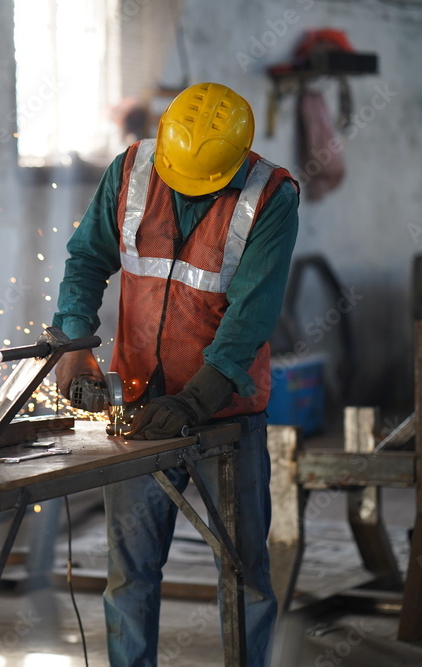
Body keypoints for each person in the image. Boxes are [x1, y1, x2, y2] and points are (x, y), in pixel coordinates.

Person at [53, 82, 299, 666]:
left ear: (234, 163)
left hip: (225, 418)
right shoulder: (134, 170)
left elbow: (251, 315)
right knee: (130, 573)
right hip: (136, 409)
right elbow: (87, 259)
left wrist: (196, 401)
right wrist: (73, 344)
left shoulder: (271, 197)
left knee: (243, 570)